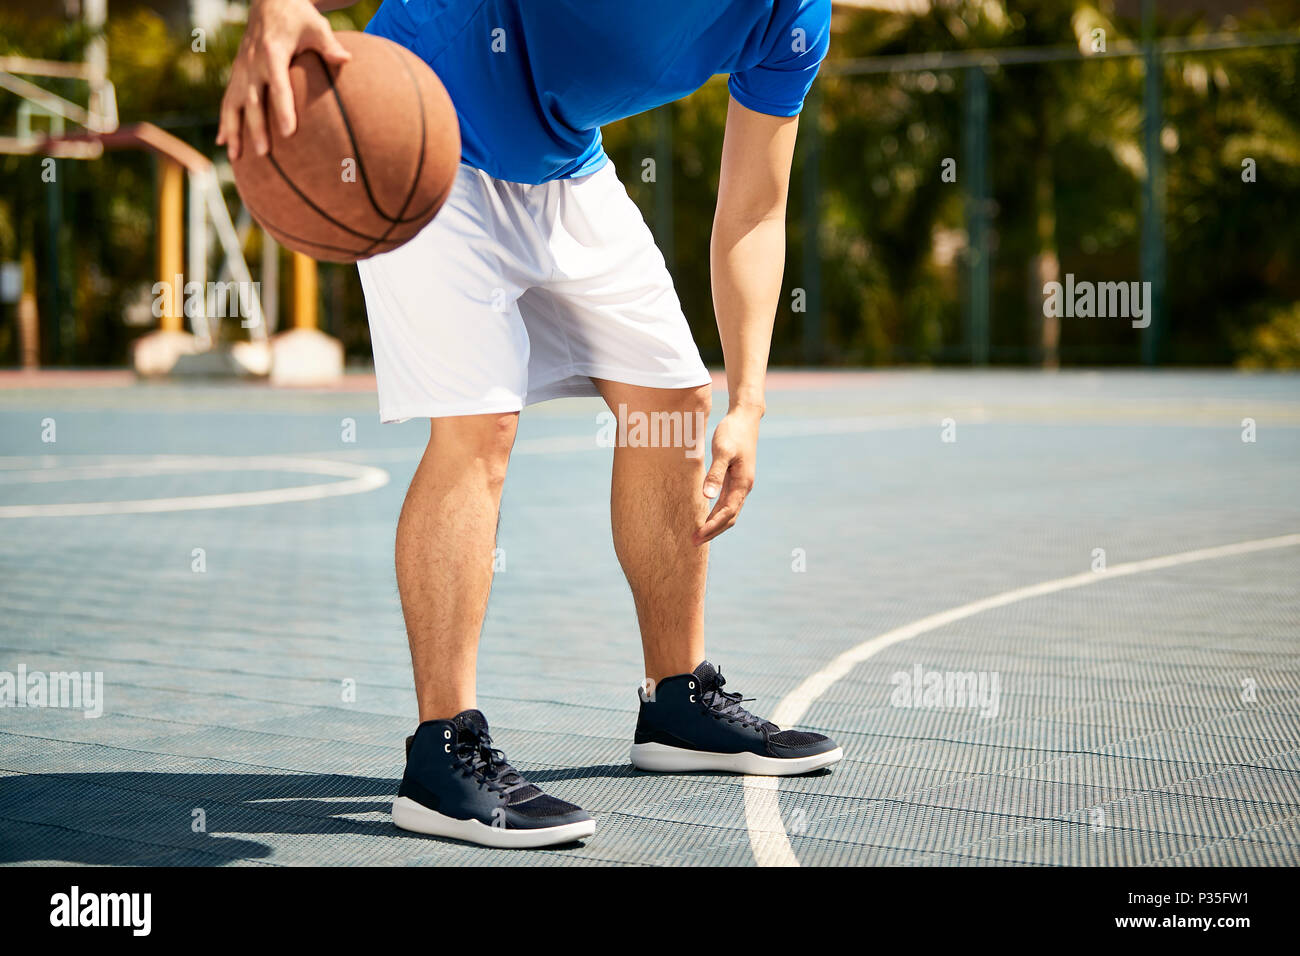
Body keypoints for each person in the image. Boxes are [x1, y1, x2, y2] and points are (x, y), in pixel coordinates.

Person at [218, 0, 842, 849]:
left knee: (673, 401)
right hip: (424, 135)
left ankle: (677, 705)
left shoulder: (794, 15)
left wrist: (750, 403)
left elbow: (755, 213)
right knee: (480, 429)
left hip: (565, 165)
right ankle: (442, 755)